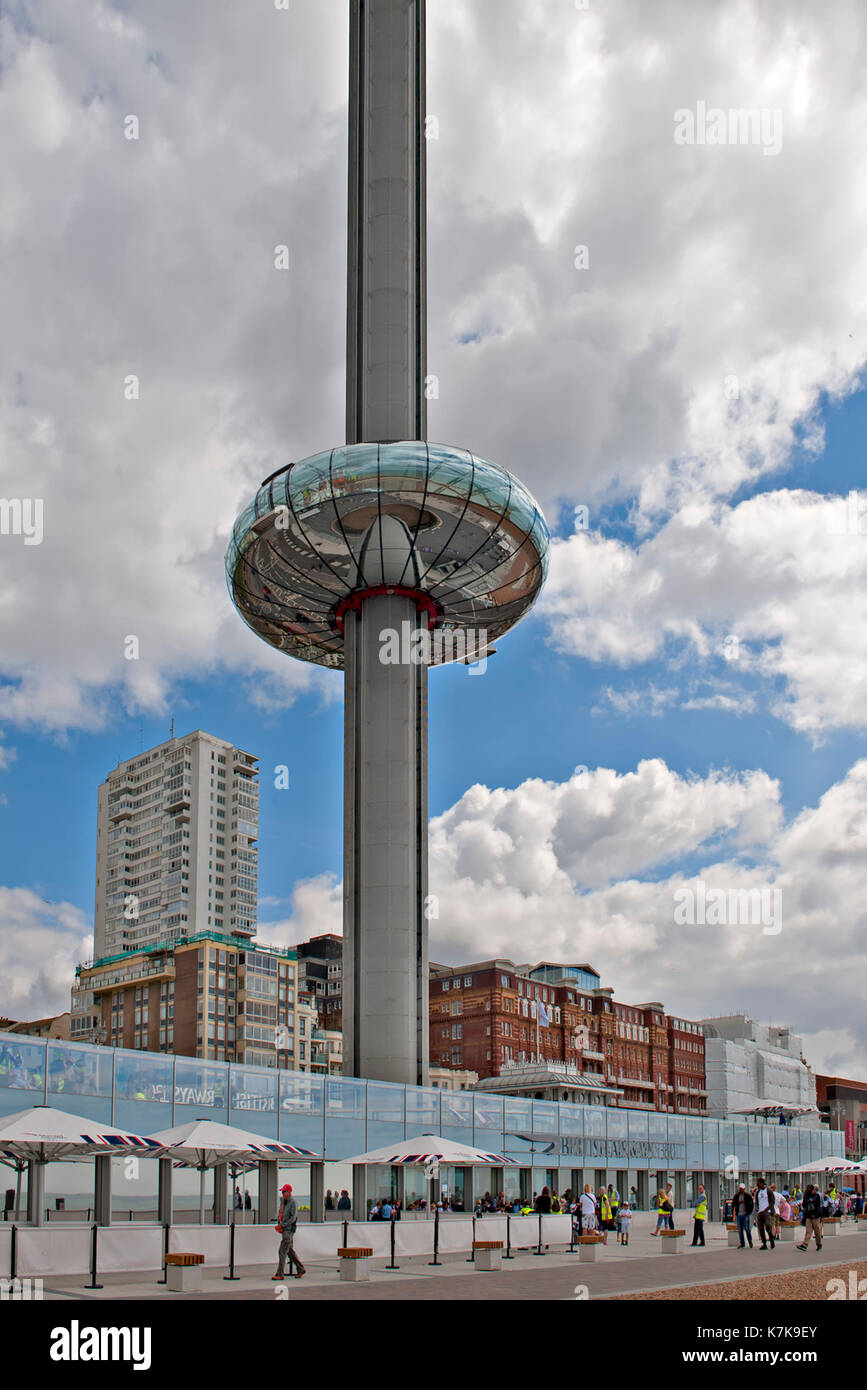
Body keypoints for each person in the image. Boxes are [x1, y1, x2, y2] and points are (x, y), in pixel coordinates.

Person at [273, 1184, 305, 1280]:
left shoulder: (293, 1203)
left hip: (289, 1229)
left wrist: (283, 1225)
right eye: (282, 1192)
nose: (283, 1194)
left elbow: (293, 1217)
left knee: (282, 1250)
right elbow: (281, 1213)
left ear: (289, 1192)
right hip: (284, 1229)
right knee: (289, 1250)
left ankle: (280, 1274)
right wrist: (280, 1223)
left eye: (284, 1192)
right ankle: (300, 1269)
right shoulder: (283, 1202)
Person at [797, 1184, 823, 1252]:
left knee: (817, 1231)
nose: (808, 1190)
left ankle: (819, 1244)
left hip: (816, 1216)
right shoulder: (806, 1196)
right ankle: (805, 1244)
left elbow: (818, 1205)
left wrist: (814, 1214)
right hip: (808, 1216)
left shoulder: (816, 1196)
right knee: (808, 1230)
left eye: (809, 1189)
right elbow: (804, 1205)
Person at [755, 1180, 776, 1250]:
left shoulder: (768, 1191)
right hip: (760, 1212)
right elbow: (757, 1202)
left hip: (767, 1212)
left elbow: (772, 1201)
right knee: (761, 1228)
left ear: (762, 1184)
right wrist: (757, 1208)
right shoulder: (758, 1192)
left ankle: (771, 1239)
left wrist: (767, 1209)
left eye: (759, 1183)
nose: (757, 1185)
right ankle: (764, 1244)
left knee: (768, 1226)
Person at [733, 1183, 754, 1249]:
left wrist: (748, 1212)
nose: (741, 1190)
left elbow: (751, 1204)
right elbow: (733, 1204)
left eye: (742, 1188)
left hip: (745, 1215)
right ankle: (742, 1243)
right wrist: (738, 1202)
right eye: (740, 1188)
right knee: (740, 1230)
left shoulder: (747, 1196)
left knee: (747, 1229)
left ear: (744, 1189)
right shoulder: (736, 1196)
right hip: (739, 1215)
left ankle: (750, 1241)